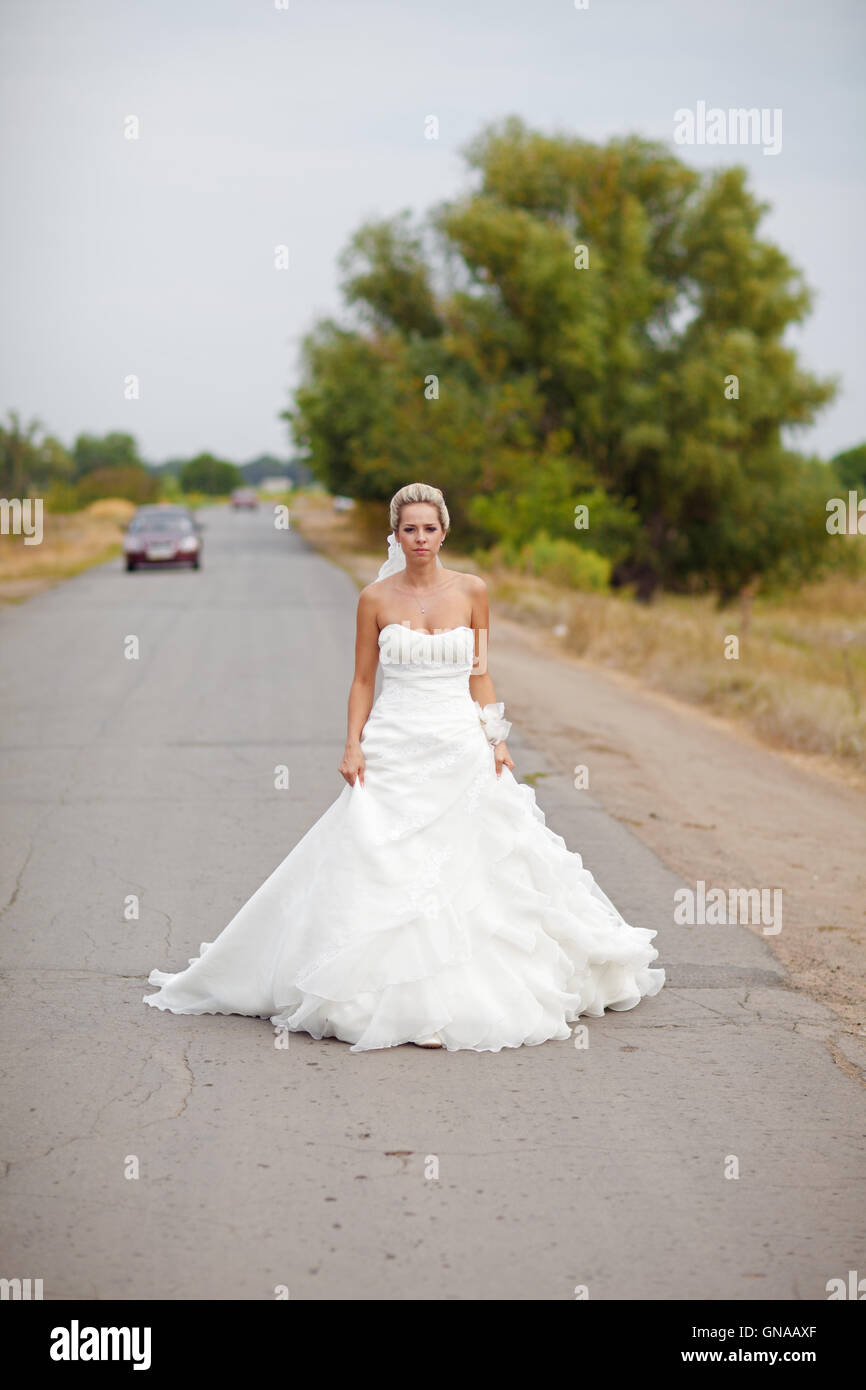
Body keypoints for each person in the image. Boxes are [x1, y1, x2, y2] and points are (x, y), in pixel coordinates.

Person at [143, 481, 665, 1050]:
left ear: (445, 532)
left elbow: (480, 673)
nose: (420, 538)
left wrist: (496, 738)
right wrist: (352, 744)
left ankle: (468, 986)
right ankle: (378, 990)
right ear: (395, 534)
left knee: (476, 859)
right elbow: (364, 680)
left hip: (459, 740)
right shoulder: (375, 599)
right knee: (380, 854)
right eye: (409, 529)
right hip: (395, 740)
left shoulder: (473, 592)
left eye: (430, 528)